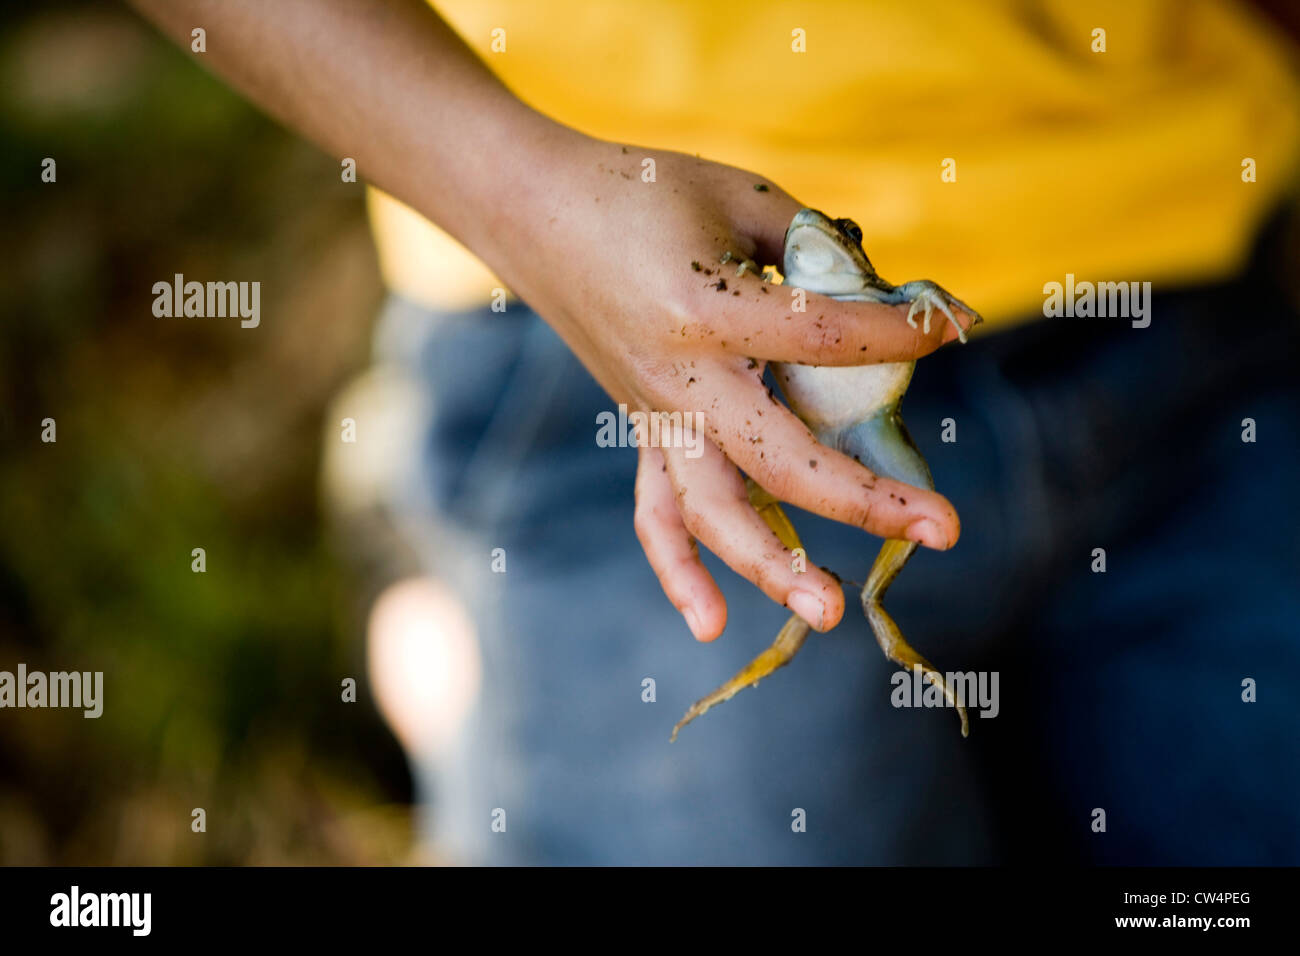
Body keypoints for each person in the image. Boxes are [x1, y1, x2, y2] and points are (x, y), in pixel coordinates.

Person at [131, 0, 1300, 864]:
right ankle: (453, 631)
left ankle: (461, 656)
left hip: (1184, 256)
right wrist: (518, 197)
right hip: (603, 318)